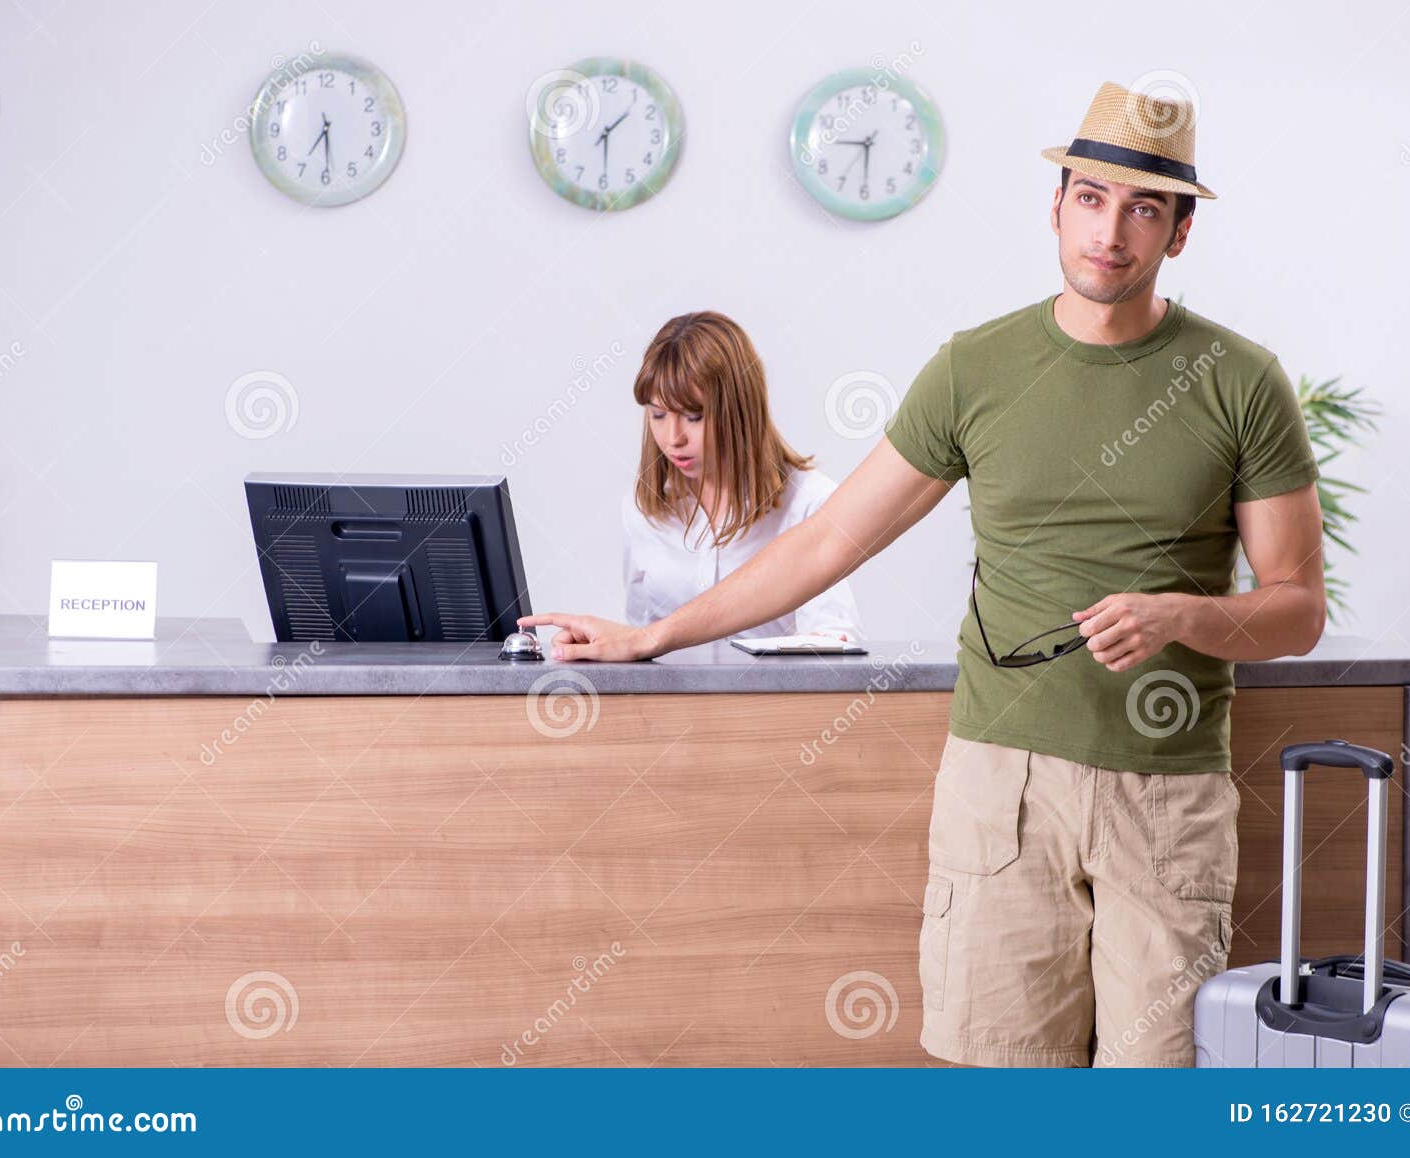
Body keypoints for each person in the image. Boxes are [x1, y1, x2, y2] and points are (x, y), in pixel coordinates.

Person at [520, 80, 1325, 1067]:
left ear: (1180, 232)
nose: (1110, 231)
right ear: (1055, 206)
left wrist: (1180, 617)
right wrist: (650, 636)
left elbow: (1296, 609)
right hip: (1000, 784)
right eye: (1090, 198)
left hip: (1165, 796)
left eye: (1144, 208)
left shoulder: (1240, 381)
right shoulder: (975, 368)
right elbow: (829, 542)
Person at [620, 310, 861, 642]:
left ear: (739, 410)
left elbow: (833, 636)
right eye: (658, 414)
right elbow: (638, 637)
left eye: (694, 416)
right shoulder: (643, 510)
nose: (673, 438)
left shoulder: (808, 502)